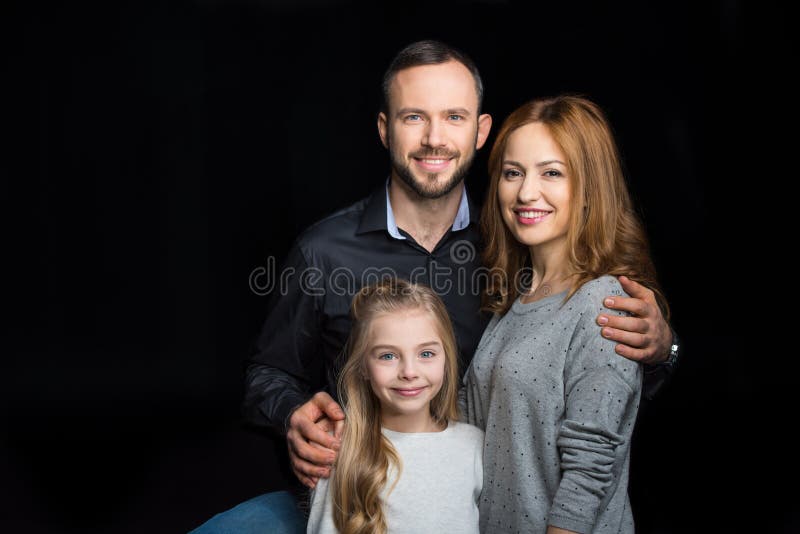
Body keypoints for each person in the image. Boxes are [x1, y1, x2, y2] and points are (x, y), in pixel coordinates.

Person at [189, 40, 678, 533]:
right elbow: (268, 372)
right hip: (358, 493)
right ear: (385, 129)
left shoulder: (514, 246)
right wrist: (292, 414)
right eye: (414, 118)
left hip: (474, 504)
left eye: (454, 117)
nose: (434, 138)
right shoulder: (324, 251)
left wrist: (662, 351)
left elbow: (590, 384)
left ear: (481, 131)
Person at [464, 95, 669, 533]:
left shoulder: (603, 302)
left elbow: (586, 477)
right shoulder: (516, 301)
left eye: (552, 173)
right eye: (513, 173)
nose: (525, 192)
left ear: (590, 187)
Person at [306, 278, 483, 534]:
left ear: (446, 357)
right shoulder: (341, 448)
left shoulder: (474, 445)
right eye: (388, 356)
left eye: (426, 354)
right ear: (364, 367)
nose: (409, 372)